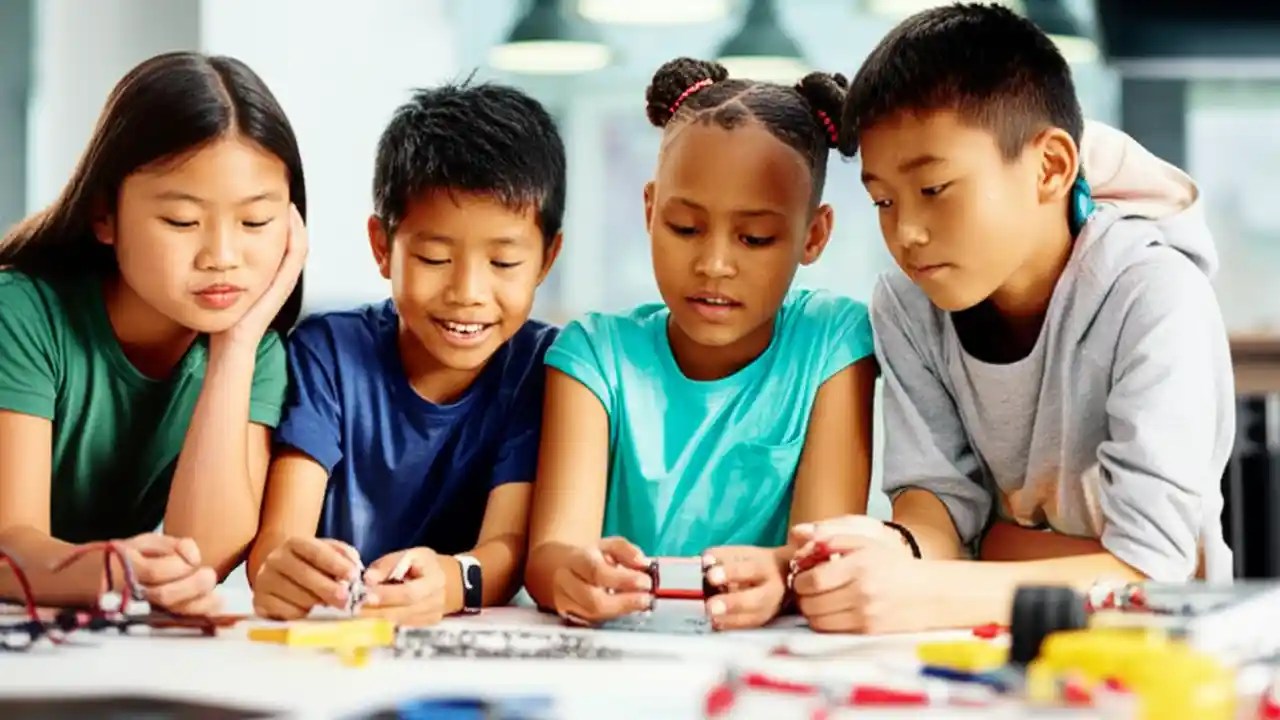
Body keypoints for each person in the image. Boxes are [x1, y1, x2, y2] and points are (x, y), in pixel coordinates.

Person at [790, 3, 1234, 634]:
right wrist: (893, 553)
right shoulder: (909, 305)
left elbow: (1151, 571)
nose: (906, 233)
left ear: (1050, 168)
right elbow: (939, 510)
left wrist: (958, 571)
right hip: (981, 638)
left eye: (935, 189)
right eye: (883, 200)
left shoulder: (1156, 294)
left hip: (1158, 649)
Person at [524, 57, 879, 632]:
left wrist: (782, 574)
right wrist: (573, 574)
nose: (714, 264)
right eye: (685, 228)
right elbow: (550, 555)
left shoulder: (832, 341)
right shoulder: (593, 353)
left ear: (813, 236)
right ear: (649, 210)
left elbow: (821, 546)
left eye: (756, 238)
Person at [0, 52, 307, 613]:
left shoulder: (256, 351)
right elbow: (8, 545)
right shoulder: (19, 315)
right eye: (183, 222)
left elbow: (204, 556)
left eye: (256, 222)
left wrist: (235, 347)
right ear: (104, 215)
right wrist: (115, 570)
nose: (222, 257)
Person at [248, 82, 563, 625]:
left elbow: (509, 547)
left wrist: (451, 580)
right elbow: (281, 533)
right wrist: (282, 566)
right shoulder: (327, 354)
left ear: (546, 259)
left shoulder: (540, 367)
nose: (467, 291)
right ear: (382, 246)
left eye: (504, 264)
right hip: (334, 639)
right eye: (435, 258)